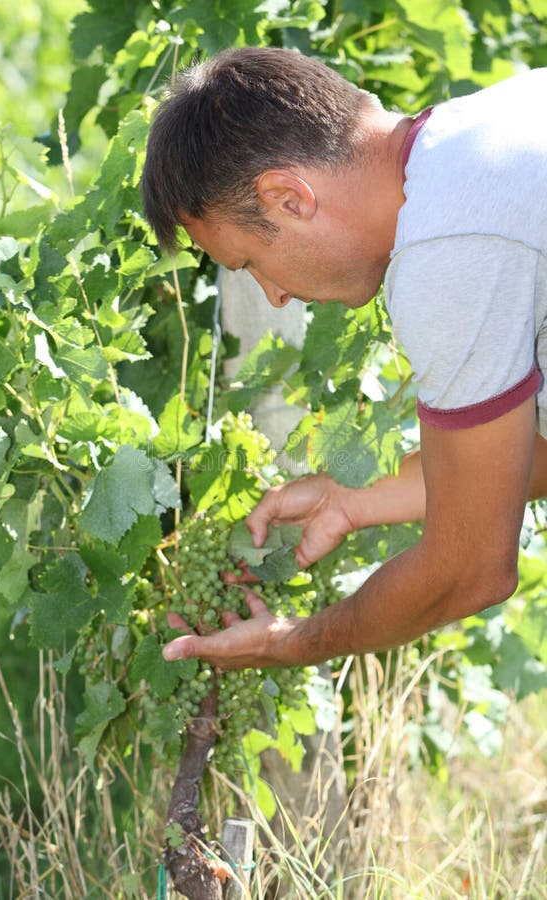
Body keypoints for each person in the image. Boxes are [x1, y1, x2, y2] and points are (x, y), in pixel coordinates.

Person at [141, 47, 547, 670]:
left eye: (248, 263)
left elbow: (471, 570)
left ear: (288, 198)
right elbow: (513, 464)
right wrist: (355, 500)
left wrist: (294, 641)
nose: (273, 294)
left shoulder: (449, 252)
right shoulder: (491, 132)